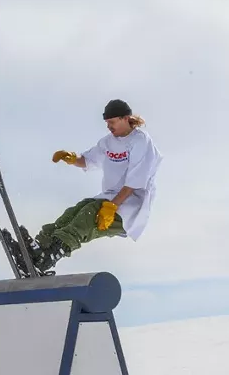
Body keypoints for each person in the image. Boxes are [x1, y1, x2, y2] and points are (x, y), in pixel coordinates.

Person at [34, 100, 162, 273]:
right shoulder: (108, 142)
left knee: (87, 216)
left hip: (130, 205)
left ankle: (54, 253)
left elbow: (135, 182)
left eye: (112, 122)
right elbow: (88, 161)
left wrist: (112, 206)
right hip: (109, 199)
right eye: (107, 123)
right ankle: (41, 246)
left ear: (125, 118)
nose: (109, 126)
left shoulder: (141, 141)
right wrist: (71, 158)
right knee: (75, 211)